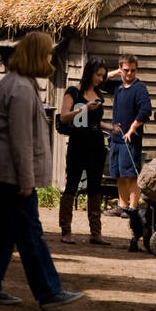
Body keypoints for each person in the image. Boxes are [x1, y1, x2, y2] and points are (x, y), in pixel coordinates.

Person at [0, 32, 84, 310]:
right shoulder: (22, 89)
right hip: (12, 177)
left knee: (1, 235)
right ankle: (49, 291)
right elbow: (21, 140)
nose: (51, 59)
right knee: (30, 235)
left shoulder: (12, 82)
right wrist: (27, 180)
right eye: (48, 53)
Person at [58, 58, 110, 245]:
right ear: (89, 73)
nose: (101, 79)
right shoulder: (74, 92)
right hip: (78, 143)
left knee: (95, 186)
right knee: (72, 184)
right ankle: (66, 230)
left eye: (103, 76)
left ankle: (95, 232)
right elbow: (64, 117)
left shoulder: (98, 94)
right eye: (98, 75)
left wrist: (111, 128)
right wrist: (84, 108)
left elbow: (95, 122)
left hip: (96, 143)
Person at [100, 53, 151, 215]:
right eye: (127, 70)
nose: (130, 74)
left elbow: (146, 111)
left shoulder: (139, 88)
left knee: (130, 174)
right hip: (116, 138)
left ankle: (133, 207)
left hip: (130, 139)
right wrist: (115, 72)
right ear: (121, 69)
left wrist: (133, 128)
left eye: (133, 71)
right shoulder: (118, 86)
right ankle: (122, 206)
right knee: (119, 174)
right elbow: (100, 81)